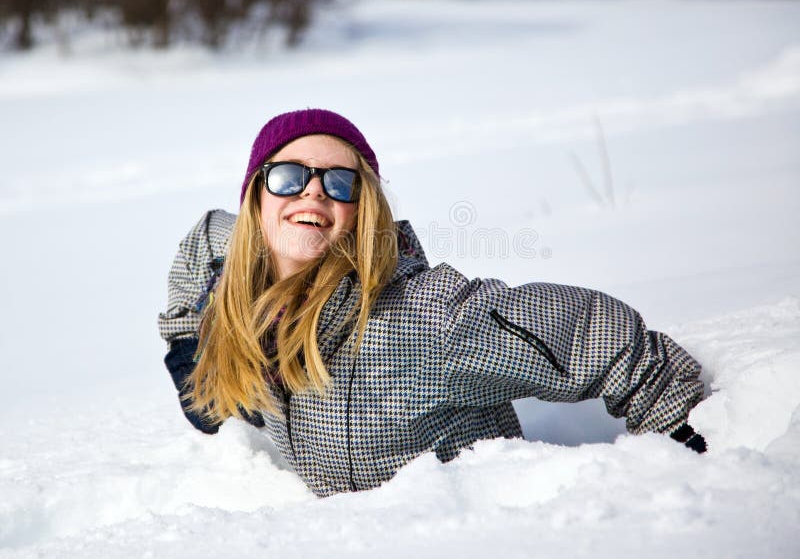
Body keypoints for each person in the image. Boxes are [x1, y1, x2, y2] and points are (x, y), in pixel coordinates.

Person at [158, 108, 707, 497]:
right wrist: (191, 348)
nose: (313, 192)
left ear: (362, 209)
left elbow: (595, 335)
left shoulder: (423, 316)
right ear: (257, 199)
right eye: (289, 176)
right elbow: (205, 240)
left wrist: (693, 443)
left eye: (340, 183)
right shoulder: (244, 283)